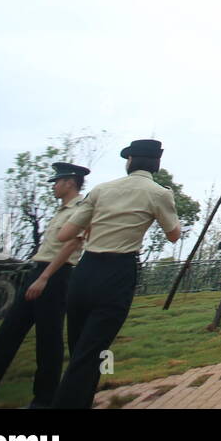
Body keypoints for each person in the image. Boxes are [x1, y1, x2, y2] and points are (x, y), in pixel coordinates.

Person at [50, 139, 179, 409]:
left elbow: (65, 235)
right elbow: (174, 235)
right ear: (156, 163)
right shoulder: (158, 193)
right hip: (117, 274)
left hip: (84, 272)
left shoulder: (101, 190)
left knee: (79, 351)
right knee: (90, 354)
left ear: (129, 161)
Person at [0, 163, 90, 409]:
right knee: (6, 335)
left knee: (48, 341)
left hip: (56, 276)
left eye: (57, 182)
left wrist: (45, 277)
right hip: (39, 271)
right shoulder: (61, 211)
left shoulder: (81, 209)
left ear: (70, 182)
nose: (54, 186)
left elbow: (71, 246)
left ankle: (45, 400)